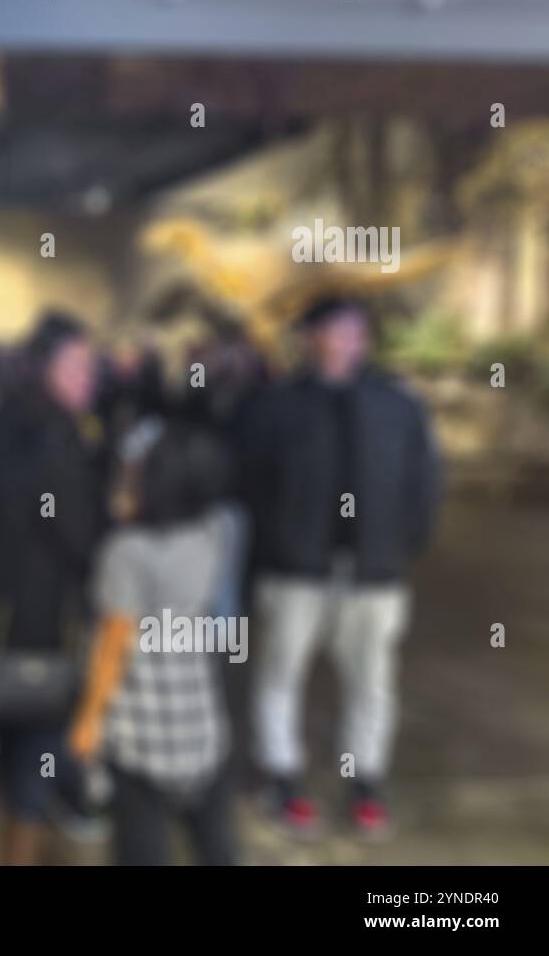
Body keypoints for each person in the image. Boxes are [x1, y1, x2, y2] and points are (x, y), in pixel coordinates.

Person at [240, 295, 441, 838]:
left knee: (371, 683)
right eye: (334, 331)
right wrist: (272, 548)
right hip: (295, 571)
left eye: (356, 331)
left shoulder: (397, 406)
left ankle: (364, 781)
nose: (347, 342)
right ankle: (281, 775)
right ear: (310, 338)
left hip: (374, 574)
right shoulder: (275, 407)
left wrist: (400, 549)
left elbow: (422, 485)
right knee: (282, 676)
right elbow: (250, 486)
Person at [0, 312, 107, 865]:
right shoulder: (56, 435)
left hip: (0, 614)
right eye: (77, 366)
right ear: (44, 369)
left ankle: (42, 805)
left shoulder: (13, 420)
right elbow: (79, 534)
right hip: (40, 620)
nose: (90, 377)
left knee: (19, 742)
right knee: (35, 744)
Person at [69, 419, 239, 866]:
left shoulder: (126, 552)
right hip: (199, 709)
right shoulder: (212, 534)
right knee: (214, 838)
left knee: (141, 846)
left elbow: (114, 644)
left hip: (140, 721)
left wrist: (87, 719)